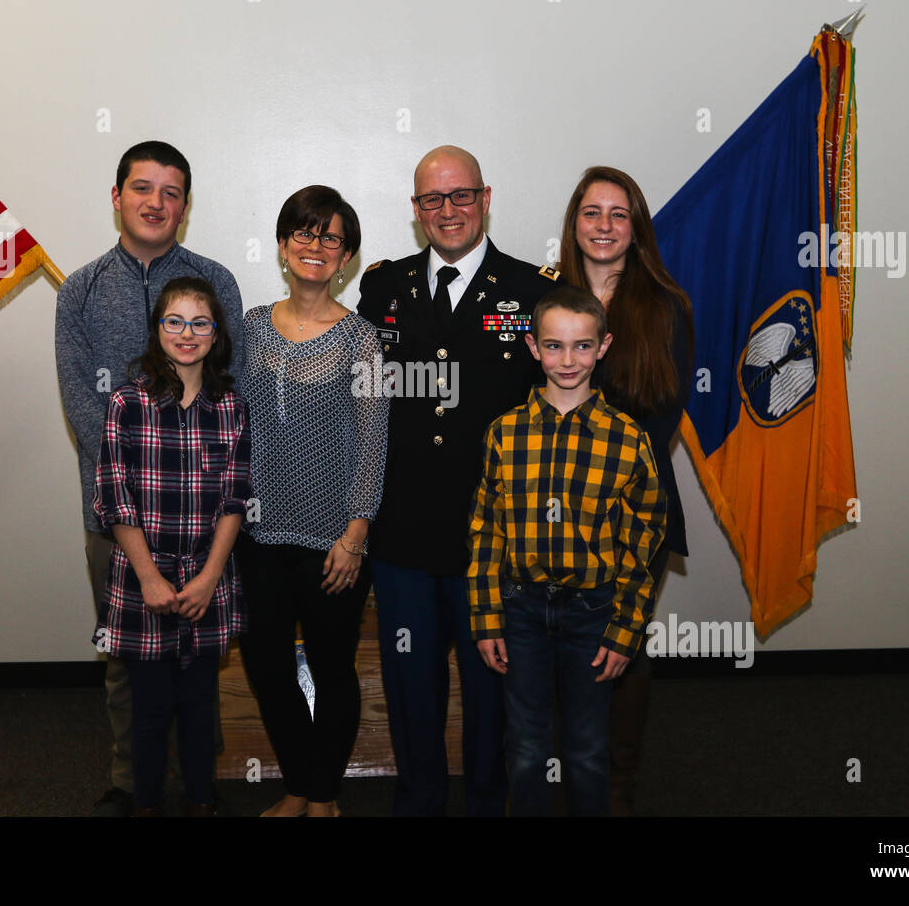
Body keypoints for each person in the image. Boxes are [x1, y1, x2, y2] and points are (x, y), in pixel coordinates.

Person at [356, 145, 559, 816]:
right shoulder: (383, 289)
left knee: (491, 685)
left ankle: (486, 802)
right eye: (432, 200)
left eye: (461, 196)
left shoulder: (532, 291)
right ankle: (418, 802)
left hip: (494, 535)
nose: (448, 212)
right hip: (404, 533)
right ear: (416, 210)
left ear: (486, 197)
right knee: (411, 687)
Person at [55, 140, 245, 816]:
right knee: (125, 660)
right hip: (116, 513)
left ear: (185, 208)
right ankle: (132, 784)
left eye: (171, 193)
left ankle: (200, 784)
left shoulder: (215, 282)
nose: (155, 203)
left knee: (200, 659)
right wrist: (124, 495)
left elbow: (236, 387)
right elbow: (83, 403)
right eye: (143, 188)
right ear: (117, 197)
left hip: (201, 513)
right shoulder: (79, 290)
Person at [469, 285, 666, 816]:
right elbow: (486, 531)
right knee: (527, 748)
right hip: (521, 610)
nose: (568, 359)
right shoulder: (503, 434)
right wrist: (487, 618)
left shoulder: (627, 438)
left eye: (582, 346)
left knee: (585, 750)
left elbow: (644, 539)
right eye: (554, 346)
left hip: (593, 612)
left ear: (604, 346)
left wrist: (626, 630)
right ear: (532, 347)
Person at [236, 186, 389, 818]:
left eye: (330, 237)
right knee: (268, 668)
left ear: (347, 256)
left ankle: (322, 794)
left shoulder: (366, 341)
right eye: (303, 232)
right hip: (256, 535)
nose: (315, 246)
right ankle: (299, 784)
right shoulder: (246, 328)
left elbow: (374, 447)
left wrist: (355, 537)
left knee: (332, 669)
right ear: (281, 245)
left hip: (334, 542)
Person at [553, 166, 694, 814]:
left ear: (635, 227)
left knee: (621, 644)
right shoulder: (545, 295)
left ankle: (617, 786)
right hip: (549, 507)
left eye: (618, 213)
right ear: (574, 223)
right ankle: (567, 774)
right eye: (592, 212)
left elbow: (665, 410)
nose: (604, 226)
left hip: (632, 506)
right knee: (556, 646)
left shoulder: (667, 306)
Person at [91, 276, 251, 817]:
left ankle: (202, 800)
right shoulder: (126, 404)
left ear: (216, 333)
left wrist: (208, 577)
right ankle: (146, 803)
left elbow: (235, 499)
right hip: (144, 582)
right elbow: (115, 499)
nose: (187, 333)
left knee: (201, 701)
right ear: (158, 329)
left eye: (200, 323)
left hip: (209, 579)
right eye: (174, 321)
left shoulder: (230, 405)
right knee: (151, 706)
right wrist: (150, 578)